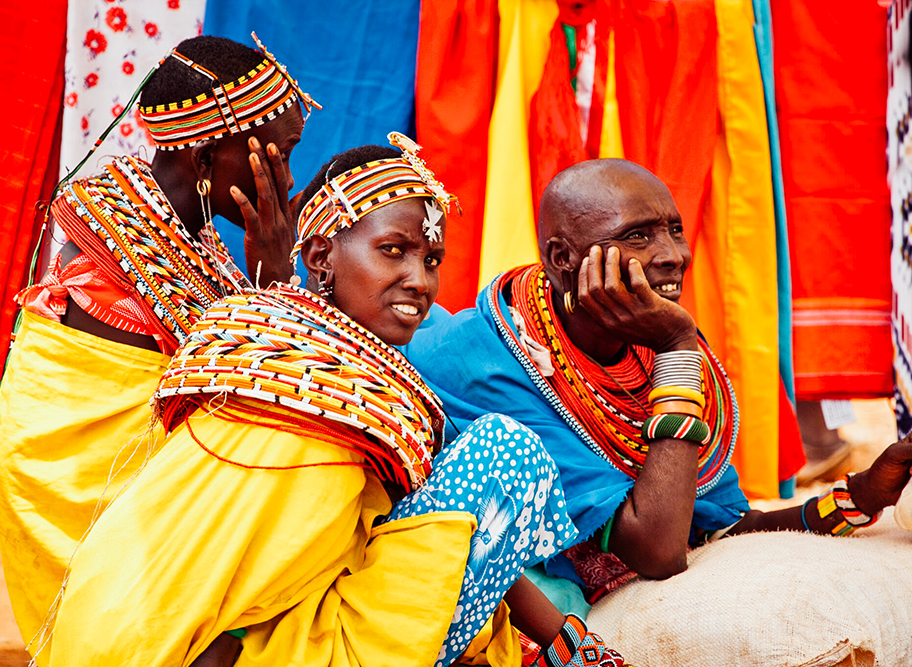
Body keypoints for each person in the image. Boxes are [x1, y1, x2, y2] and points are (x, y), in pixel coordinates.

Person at [47, 136, 629, 667]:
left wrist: (572, 647)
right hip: (215, 648)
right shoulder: (302, 387)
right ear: (322, 257)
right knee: (505, 453)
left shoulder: (343, 365)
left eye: (431, 260)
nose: (420, 281)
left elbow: (454, 532)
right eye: (393, 250)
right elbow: (228, 571)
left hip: (273, 624)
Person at [402, 158, 912, 604]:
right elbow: (660, 549)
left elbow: (719, 529)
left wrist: (863, 494)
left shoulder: (648, 348)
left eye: (673, 230)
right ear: (563, 257)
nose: (673, 256)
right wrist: (675, 346)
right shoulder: (489, 364)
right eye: (637, 237)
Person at [0, 33, 314, 661]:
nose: (288, 178)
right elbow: (220, 414)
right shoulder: (113, 249)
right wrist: (274, 280)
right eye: (279, 155)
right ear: (206, 159)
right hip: (92, 532)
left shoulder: (188, 235)